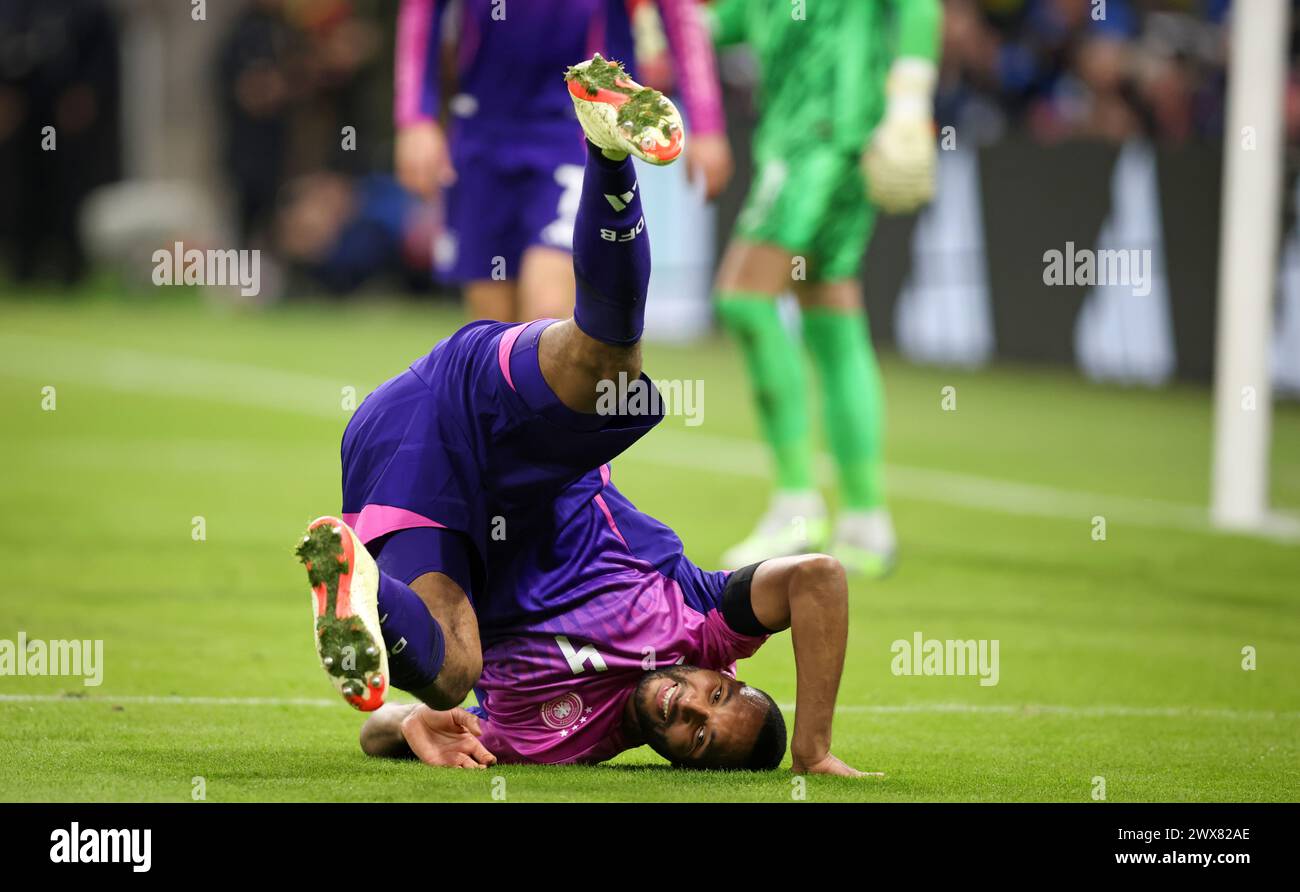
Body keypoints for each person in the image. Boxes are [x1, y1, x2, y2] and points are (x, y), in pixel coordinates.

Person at [296, 56, 863, 774]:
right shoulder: (703, 619)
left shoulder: (554, 743)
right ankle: (607, 146)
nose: (691, 706)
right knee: (609, 367)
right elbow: (820, 578)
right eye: (719, 695)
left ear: (679, 760)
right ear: (728, 671)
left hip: (409, 469)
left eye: (699, 735)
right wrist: (812, 750)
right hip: (491, 416)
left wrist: (407, 727)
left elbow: (383, 730)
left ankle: (358, 590)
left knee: (454, 670)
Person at [707, 0, 943, 577]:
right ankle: (866, 518)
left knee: (743, 297)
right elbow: (727, 22)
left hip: (821, 134)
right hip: (822, 134)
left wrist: (910, 99)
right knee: (830, 315)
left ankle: (796, 506)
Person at [393, 0, 732, 322]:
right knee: (491, 329)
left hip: (578, 128)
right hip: (481, 129)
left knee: (547, 310)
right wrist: (415, 118)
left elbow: (680, 14)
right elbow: (422, 11)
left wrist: (707, 123)